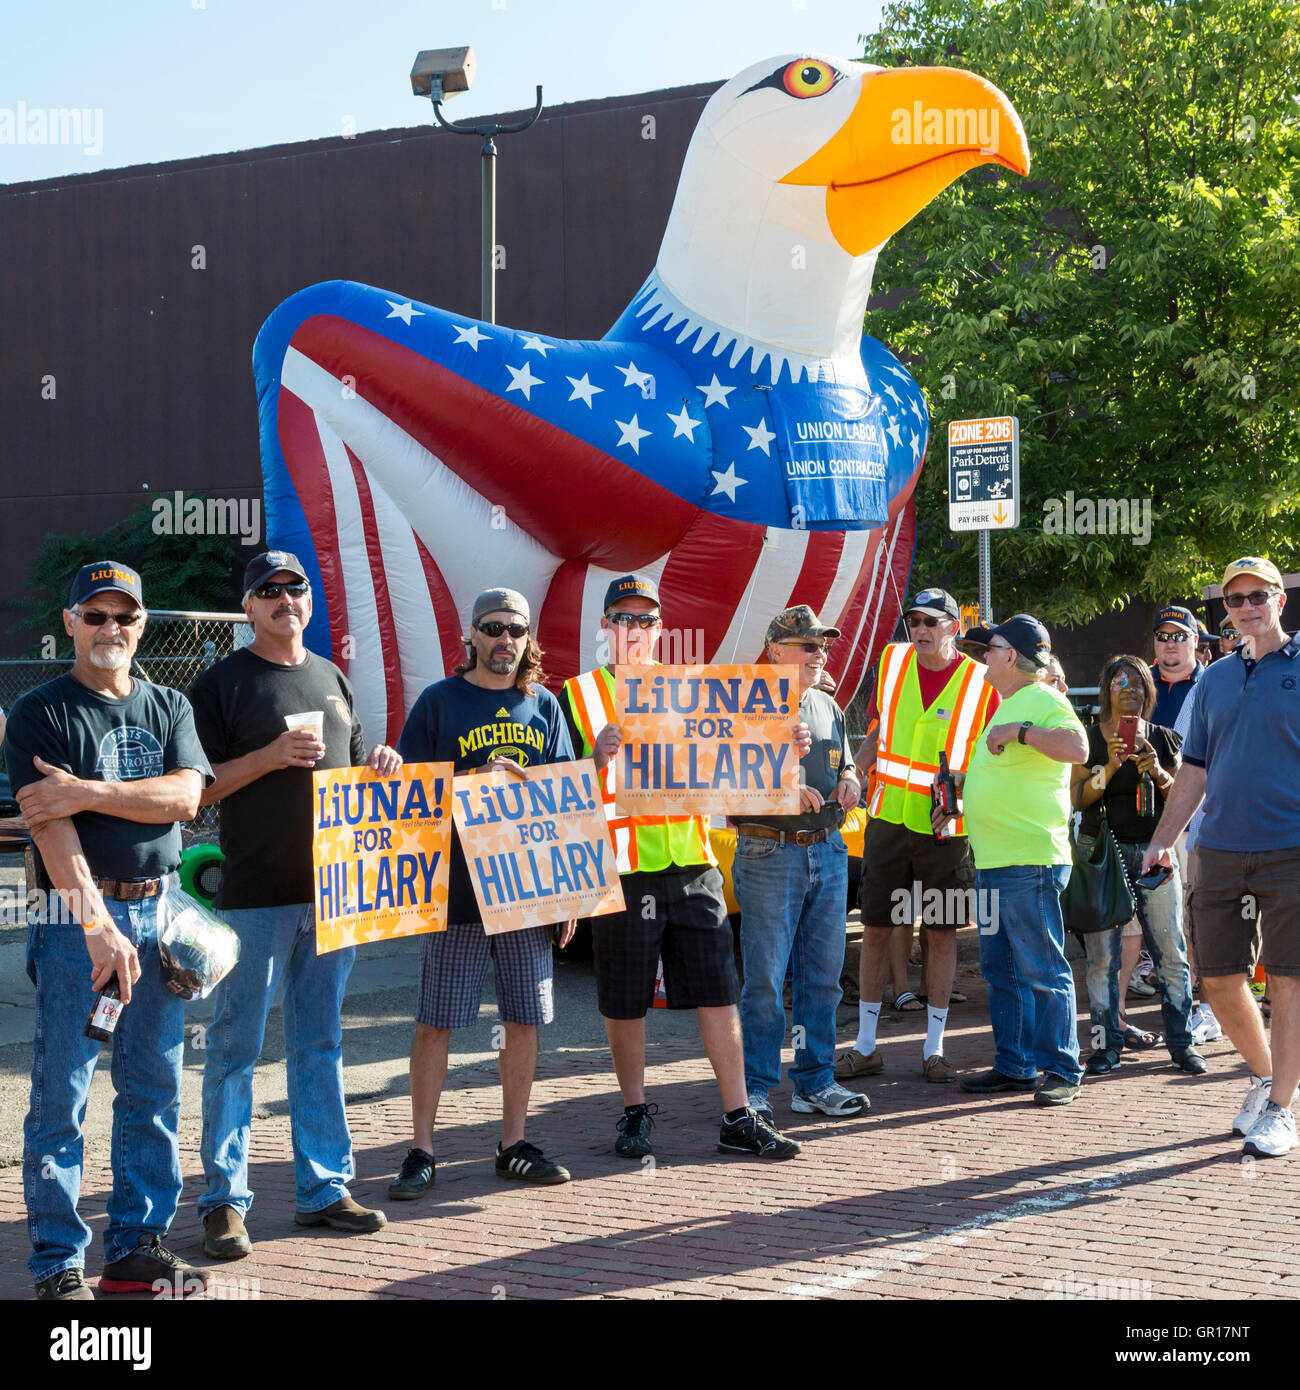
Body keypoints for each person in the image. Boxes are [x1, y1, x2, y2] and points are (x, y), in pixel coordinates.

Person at [6, 561, 213, 1300]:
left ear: (142, 624)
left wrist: (88, 790)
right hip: (74, 918)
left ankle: (135, 1247)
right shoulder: (42, 711)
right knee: (63, 1093)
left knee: (154, 1087)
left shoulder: (169, 705)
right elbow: (51, 824)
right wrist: (98, 926)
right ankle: (58, 1261)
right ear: (69, 623)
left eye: (123, 616)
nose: (110, 629)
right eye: (94, 615)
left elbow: (186, 796)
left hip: (161, 913)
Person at [187, 551, 399, 1258]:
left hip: (337, 894)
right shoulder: (221, 684)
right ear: (247, 607)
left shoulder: (333, 677)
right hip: (255, 899)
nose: (284, 597)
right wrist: (271, 755)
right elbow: (196, 791)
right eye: (267, 590)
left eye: (295, 587)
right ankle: (223, 1202)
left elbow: (358, 768)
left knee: (320, 1042)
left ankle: (324, 1189)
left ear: (310, 601)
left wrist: (382, 766)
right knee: (234, 1047)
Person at [561, 576, 802, 1159]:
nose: (636, 630)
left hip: (693, 860)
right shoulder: (575, 696)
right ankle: (635, 1111)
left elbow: (739, 758)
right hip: (621, 868)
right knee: (625, 1000)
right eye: (624, 618)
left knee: (721, 991)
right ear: (605, 626)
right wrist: (593, 760)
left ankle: (738, 1115)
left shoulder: (691, 688)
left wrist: (783, 740)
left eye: (646, 620)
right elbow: (555, 795)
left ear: (661, 628)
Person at [391, 588, 577, 1194]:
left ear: (528, 639)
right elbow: (406, 801)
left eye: (515, 630)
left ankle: (512, 1143)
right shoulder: (439, 702)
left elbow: (564, 802)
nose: (505, 640)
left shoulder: (544, 705)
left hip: (525, 892)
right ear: (471, 635)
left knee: (526, 1018)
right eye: (493, 628)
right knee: (437, 1021)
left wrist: (567, 894)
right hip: (457, 891)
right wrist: (471, 781)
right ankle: (421, 1150)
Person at [1143, 557, 1300, 1158]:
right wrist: (1163, 838)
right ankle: (1267, 1077)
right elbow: (1195, 769)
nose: (1247, 607)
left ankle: (1282, 1109)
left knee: (1286, 980)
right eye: (1235, 600)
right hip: (1220, 849)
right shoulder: (1214, 680)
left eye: (1258, 595)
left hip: (1291, 849)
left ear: (1279, 601)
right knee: (1218, 978)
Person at [839, 588, 999, 1084]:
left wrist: (964, 804)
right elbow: (877, 732)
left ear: (954, 626)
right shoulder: (891, 661)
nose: (920, 629)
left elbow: (992, 763)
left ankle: (934, 1048)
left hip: (946, 829)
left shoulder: (980, 681)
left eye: (931, 621)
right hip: (886, 822)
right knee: (878, 930)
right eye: (914, 620)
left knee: (942, 933)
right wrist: (853, 772)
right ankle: (865, 1046)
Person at [947, 615, 1089, 1106]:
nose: (983, 656)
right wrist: (967, 787)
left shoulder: (1043, 700)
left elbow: (1078, 748)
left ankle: (1062, 1069)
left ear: (1011, 656)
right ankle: (1015, 1065)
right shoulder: (1010, 704)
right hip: (998, 860)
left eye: (991, 649)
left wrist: (1021, 730)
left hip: (1029, 861)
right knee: (1003, 971)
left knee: (1041, 968)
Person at [732, 605, 867, 1121]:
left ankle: (815, 1081)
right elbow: (717, 777)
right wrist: (776, 766)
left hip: (827, 848)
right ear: (775, 650)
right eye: (809, 645)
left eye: (823, 646)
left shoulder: (824, 706)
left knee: (823, 976)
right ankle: (757, 1089)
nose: (820, 653)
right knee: (765, 978)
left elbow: (846, 760)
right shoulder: (743, 704)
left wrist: (852, 781)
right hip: (769, 849)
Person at [1068, 655, 1202, 1076]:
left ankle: (1182, 1045)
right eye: (1120, 683)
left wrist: (1158, 772)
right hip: (1106, 859)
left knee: (1171, 952)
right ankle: (1106, 1046)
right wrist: (1109, 765)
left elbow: (1183, 798)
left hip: (1155, 855)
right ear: (1106, 690)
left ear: (1148, 693)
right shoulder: (1088, 739)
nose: (1130, 691)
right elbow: (1078, 799)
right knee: (1103, 959)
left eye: (1138, 685)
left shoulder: (1164, 738)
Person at [1150, 604, 1202, 728]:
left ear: (1195, 640)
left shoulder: (1210, 685)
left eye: (1180, 636)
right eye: (1162, 636)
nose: (1170, 644)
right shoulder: (1138, 684)